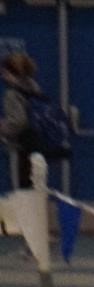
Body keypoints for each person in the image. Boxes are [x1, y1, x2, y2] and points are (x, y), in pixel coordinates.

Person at [2, 51, 43, 191]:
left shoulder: (12, 94)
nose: (3, 76)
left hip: (21, 146)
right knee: (34, 187)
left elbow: (18, 121)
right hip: (37, 143)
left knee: (21, 189)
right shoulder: (34, 87)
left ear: (11, 72)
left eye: (4, 72)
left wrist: (2, 127)